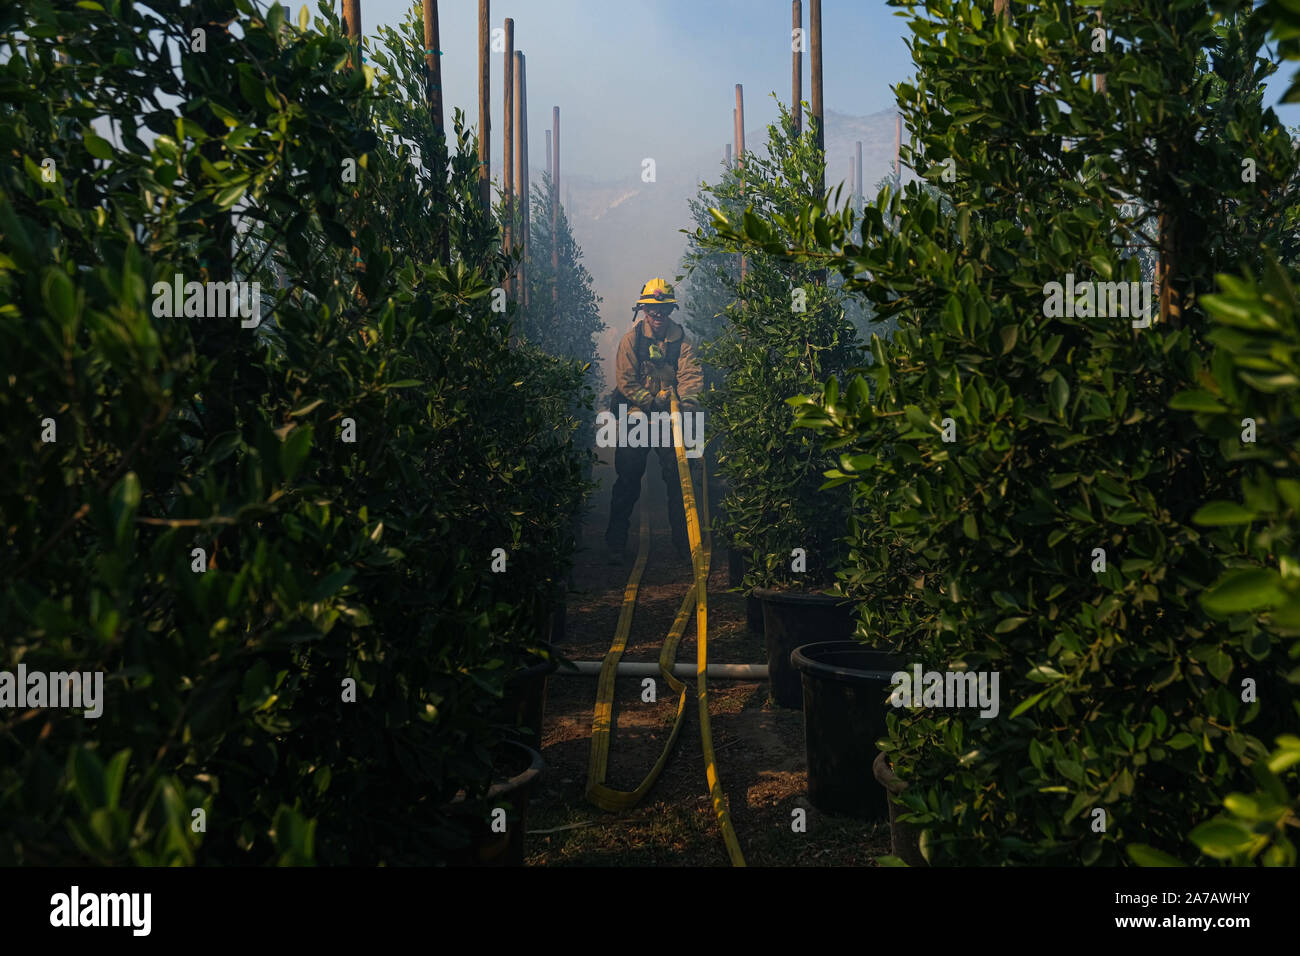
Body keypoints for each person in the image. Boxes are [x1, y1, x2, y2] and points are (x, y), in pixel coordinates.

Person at [604, 278, 704, 565]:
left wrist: (684, 408)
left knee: (679, 483)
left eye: (662, 311)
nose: (657, 316)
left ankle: (686, 548)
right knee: (628, 480)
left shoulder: (683, 342)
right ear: (643, 310)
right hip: (637, 417)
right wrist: (650, 401)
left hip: (671, 420)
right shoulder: (631, 340)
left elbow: (691, 379)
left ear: (671, 310)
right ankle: (616, 544)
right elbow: (625, 380)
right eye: (651, 310)